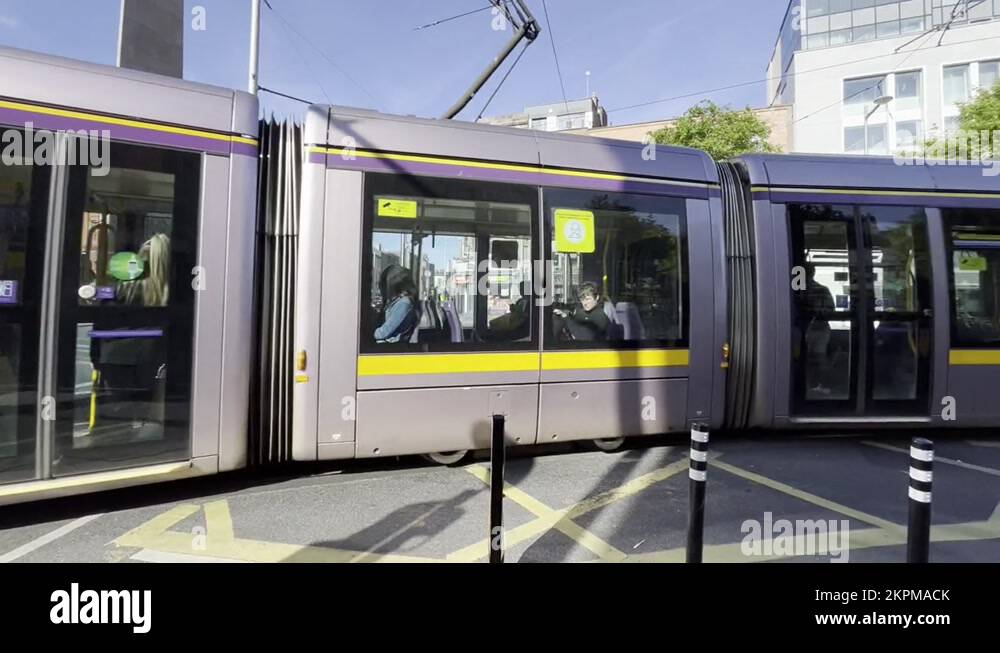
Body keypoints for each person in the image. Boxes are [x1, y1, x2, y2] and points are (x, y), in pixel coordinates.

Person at [375, 264, 419, 343]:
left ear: (392, 284)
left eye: (383, 284)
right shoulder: (397, 302)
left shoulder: (403, 304)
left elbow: (383, 333)